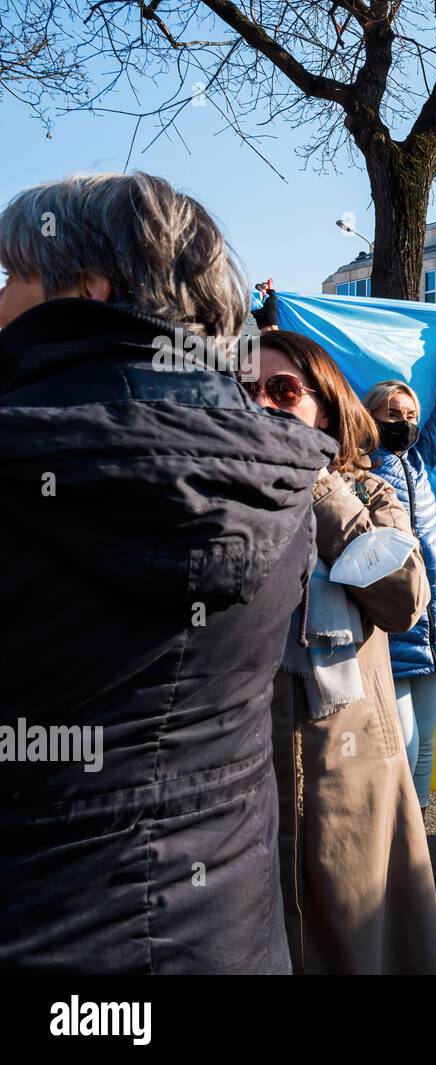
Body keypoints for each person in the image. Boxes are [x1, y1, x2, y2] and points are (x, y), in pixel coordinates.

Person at [0, 173, 331, 973]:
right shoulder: (282, 483)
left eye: (14, 275)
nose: (0, 298)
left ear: (91, 286)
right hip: (225, 938)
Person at [250, 330, 436, 975]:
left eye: (282, 390)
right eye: (244, 392)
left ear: (326, 408)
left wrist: (317, 484)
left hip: (351, 766)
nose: (263, 405)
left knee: (356, 940)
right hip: (249, 766)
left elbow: (402, 599)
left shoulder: (369, 492)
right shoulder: (223, 494)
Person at [363, 306, 436, 808]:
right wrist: (272, 323)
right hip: (392, 629)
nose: (406, 423)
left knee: (424, 744)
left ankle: (418, 844)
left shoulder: (420, 459)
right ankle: (391, 839)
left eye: (410, 415)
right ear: (370, 417)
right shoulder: (355, 464)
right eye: (394, 415)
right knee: (400, 745)